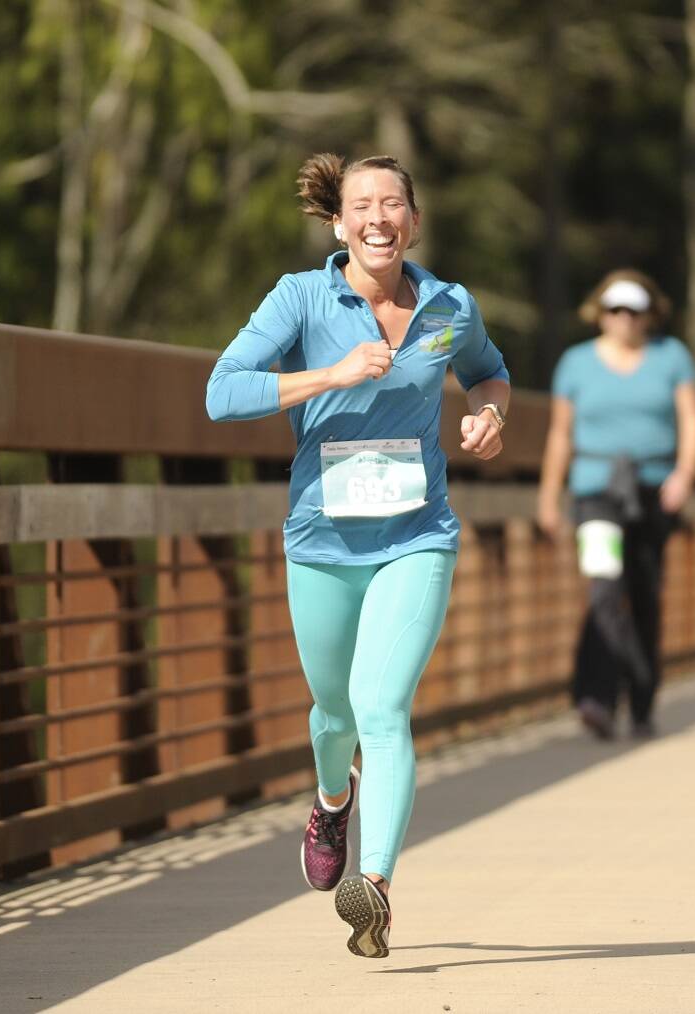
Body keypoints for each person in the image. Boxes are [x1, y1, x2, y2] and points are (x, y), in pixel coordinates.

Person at [205, 153, 510, 958]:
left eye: (393, 204)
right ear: (338, 225)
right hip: (321, 541)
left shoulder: (448, 306)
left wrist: (487, 414)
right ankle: (331, 802)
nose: (378, 217)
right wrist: (327, 375)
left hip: (417, 536)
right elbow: (221, 390)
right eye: (361, 206)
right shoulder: (302, 297)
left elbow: (489, 372)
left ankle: (372, 887)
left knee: (383, 710)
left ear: (413, 219)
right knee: (334, 714)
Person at [536, 270, 695, 739]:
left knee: (646, 595)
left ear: (649, 315)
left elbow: (692, 420)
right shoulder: (576, 363)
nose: (625, 320)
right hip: (596, 492)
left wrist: (685, 474)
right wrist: (550, 496)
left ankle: (643, 700)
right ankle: (596, 696)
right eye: (615, 311)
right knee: (605, 590)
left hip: (654, 490)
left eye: (634, 311)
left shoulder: (671, 357)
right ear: (600, 313)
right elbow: (559, 434)